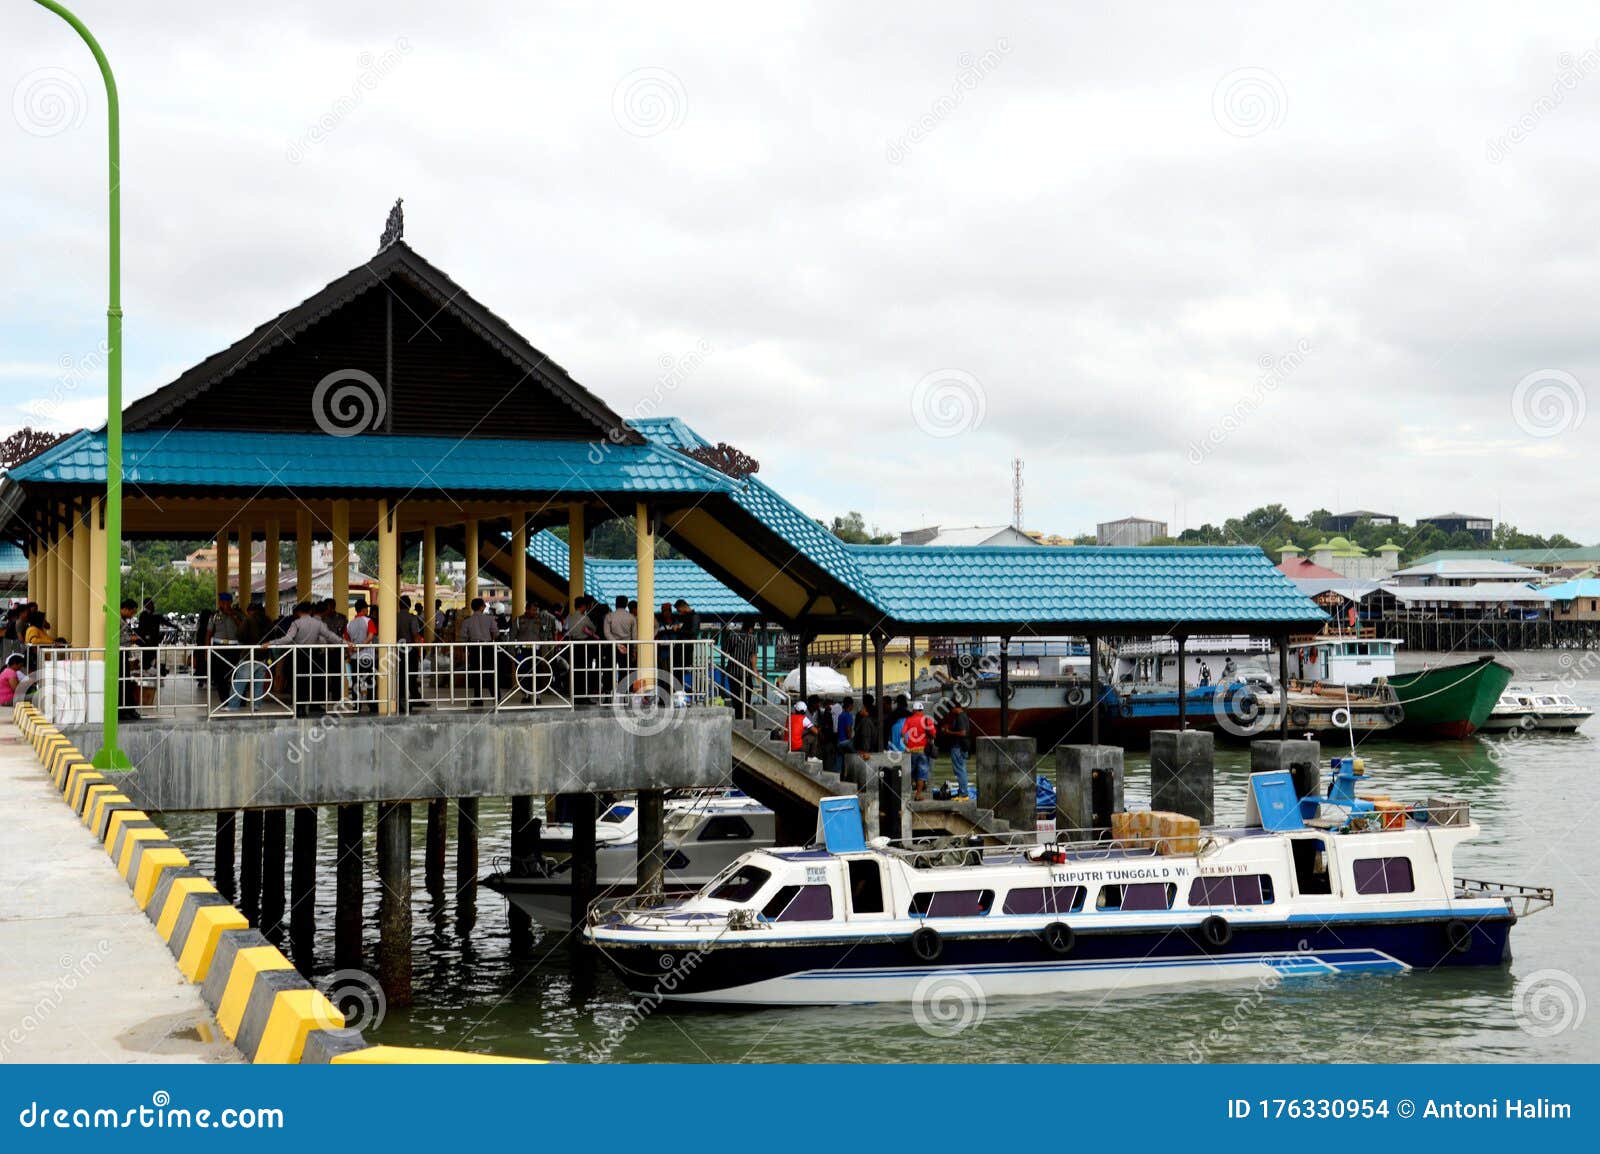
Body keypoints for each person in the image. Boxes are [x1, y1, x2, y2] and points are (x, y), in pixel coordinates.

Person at [266, 602, 347, 717]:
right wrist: (345, 642)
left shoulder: (296, 623)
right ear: (310, 611)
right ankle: (312, 705)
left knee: (298, 682)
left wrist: (271, 643)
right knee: (311, 681)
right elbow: (330, 636)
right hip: (313, 656)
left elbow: (287, 639)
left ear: (299, 612)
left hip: (299, 655)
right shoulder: (318, 623)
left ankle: (300, 708)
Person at [457, 596, 497, 706]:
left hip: (474, 648)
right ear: (482, 607)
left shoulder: (467, 621)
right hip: (487, 647)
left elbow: (463, 637)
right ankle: (496, 698)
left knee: (476, 673)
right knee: (490, 672)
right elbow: (495, 633)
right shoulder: (490, 619)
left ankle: (478, 699)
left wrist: (465, 650)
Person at [207, 592, 243, 709]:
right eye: (222, 602)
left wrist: (232, 615)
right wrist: (207, 650)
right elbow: (209, 633)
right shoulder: (214, 616)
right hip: (219, 646)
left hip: (234, 646)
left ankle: (238, 699)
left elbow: (243, 628)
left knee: (236, 673)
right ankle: (225, 699)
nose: (225, 604)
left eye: (227, 602)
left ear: (231, 602)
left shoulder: (238, 614)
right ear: (220, 603)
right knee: (219, 674)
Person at [344, 599, 378, 712]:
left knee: (355, 681)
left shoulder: (349, 624)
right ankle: (372, 704)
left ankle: (356, 705)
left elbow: (347, 641)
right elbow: (371, 636)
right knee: (370, 681)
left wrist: (351, 651)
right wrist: (362, 646)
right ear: (364, 609)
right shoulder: (369, 621)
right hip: (368, 656)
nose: (367, 610)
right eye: (366, 608)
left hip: (354, 657)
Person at [724, 620, 758, 719]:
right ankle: (746, 709)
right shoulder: (753, 639)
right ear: (750, 629)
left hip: (733, 670)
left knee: (735, 693)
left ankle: (738, 714)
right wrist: (755, 670)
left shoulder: (732, 637)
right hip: (746, 671)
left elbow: (726, 652)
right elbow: (753, 656)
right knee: (748, 690)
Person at [903, 701, 934, 801]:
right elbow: (933, 733)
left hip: (911, 751)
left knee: (910, 772)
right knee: (922, 773)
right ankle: (918, 794)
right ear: (922, 710)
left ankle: (906, 795)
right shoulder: (926, 720)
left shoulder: (908, 720)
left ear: (913, 710)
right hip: (923, 750)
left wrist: (907, 744)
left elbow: (903, 733)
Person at [943, 700, 972, 800]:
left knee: (960, 771)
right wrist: (950, 728)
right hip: (963, 746)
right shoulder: (964, 716)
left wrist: (949, 732)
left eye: (951, 709)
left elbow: (963, 733)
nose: (951, 712)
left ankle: (963, 794)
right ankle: (962, 792)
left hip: (958, 747)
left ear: (955, 707)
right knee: (961, 769)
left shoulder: (960, 717)